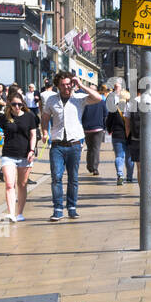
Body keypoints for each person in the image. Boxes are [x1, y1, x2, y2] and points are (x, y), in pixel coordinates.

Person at [42, 72, 89, 221]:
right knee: (56, 177)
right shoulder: (51, 100)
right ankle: (57, 209)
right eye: (63, 84)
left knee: (73, 178)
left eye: (69, 84)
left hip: (75, 144)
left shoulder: (79, 99)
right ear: (58, 85)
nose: (66, 87)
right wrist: (44, 132)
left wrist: (81, 84)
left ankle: (72, 207)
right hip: (57, 145)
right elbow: (44, 118)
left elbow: (97, 98)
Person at [0, 90, 36, 222]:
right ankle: (11, 213)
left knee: (22, 184)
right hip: (8, 154)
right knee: (9, 184)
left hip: (25, 155)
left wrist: (32, 150)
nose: (17, 107)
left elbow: (33, 135)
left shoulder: (29, 116)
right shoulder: (3, 118)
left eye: (19, 104)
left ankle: (19, 213)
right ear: (9, 104)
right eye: (14, 104)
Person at [124, 88, 151, 202]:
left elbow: (127, 124)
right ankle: (150, 189)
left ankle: (143, 192)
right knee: (150, 166)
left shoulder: (131, 103)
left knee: (139, 167)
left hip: (135, 138)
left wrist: (128, 138)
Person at [106, 92, 132, 184]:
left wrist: (109, 130)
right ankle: (129, 177)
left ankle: (120, 174)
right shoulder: (131, 108)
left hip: (117, 135)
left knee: (119, 156)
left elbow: (108, 121)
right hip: (130, 135)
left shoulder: (114, 108)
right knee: (129, 157)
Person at [82, 85, 106, 175]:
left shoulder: (85, 102)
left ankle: (90, 166)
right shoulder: (101, 102)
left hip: (87, 129)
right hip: (98, 128)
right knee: (96, 149)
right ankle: (94, 167)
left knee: (90, 148)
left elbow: (81, 115)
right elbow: (105, 114)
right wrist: (104, 127)